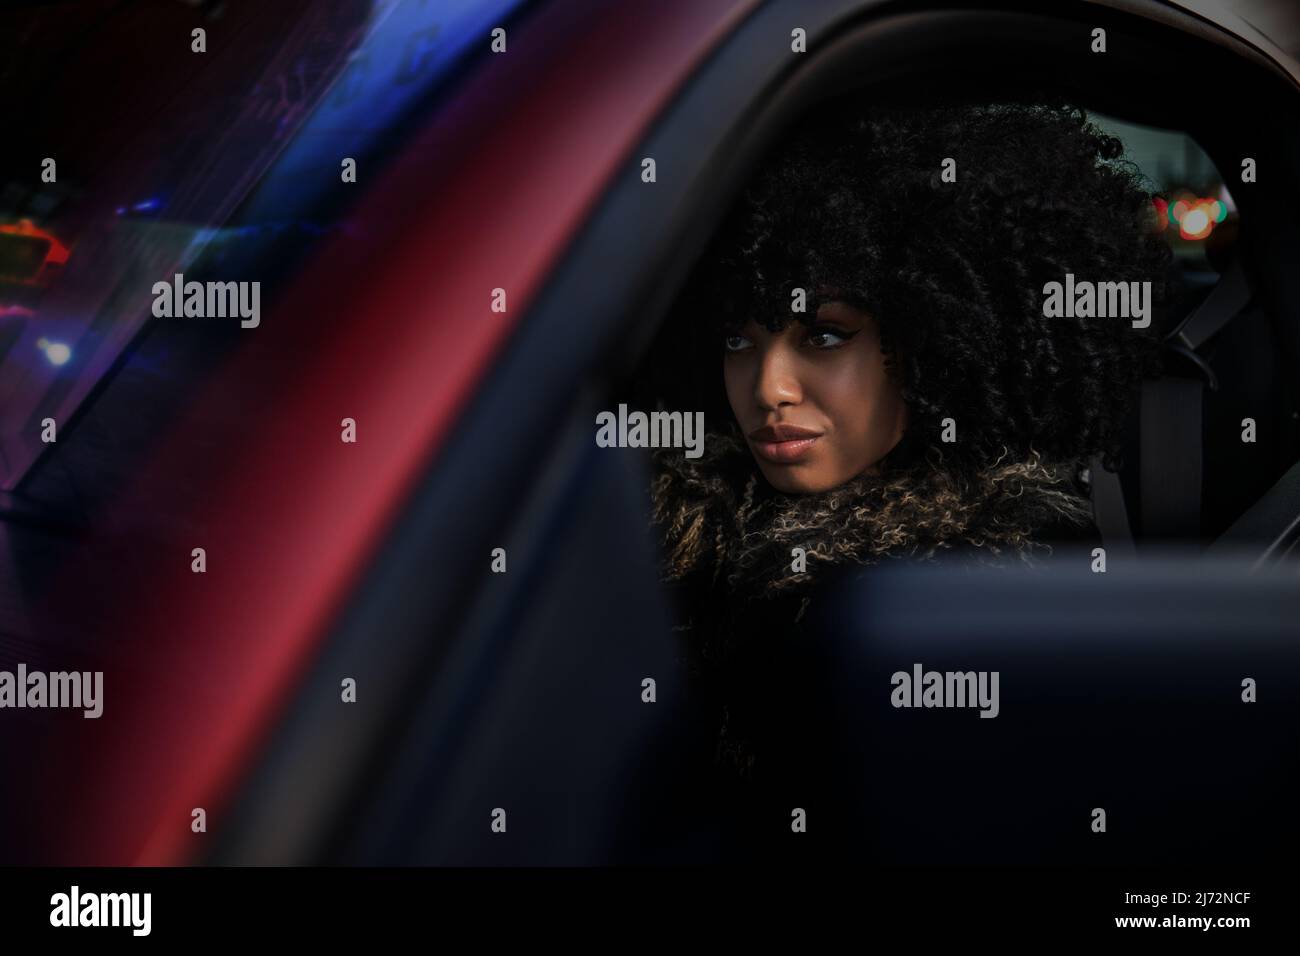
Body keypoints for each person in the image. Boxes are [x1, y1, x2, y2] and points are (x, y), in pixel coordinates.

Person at [634, 95, 1172, 860]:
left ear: (936, 341)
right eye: (737, 339)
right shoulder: (656, 543)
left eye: (824, 335)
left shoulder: (985, 597)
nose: (769, 387)